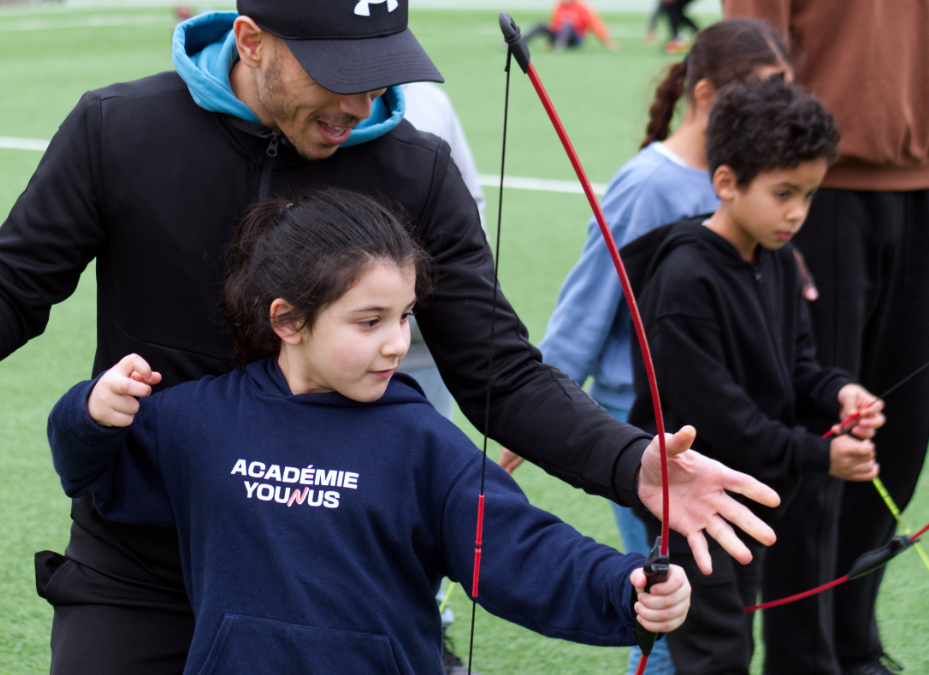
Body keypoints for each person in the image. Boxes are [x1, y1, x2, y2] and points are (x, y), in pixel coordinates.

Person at [0, 1, 782, 671]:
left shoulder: (415, 168)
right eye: (336, 71)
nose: (361, 100)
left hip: (327, 557)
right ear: (251, 42)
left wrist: (632, 462)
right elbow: (14, 282)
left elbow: (497, 369)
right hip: (144, 548)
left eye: (380, 66)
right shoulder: (119, 128)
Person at [47, 188, 693, 673]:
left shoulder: (423, 444)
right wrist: (90, 412)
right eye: (369, 321)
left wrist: (625, 589)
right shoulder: (199, 418)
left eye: (405, 315)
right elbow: (93, 473)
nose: (396, 343)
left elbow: (521, 551)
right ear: (289, 320)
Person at [501, 18, 792, 674]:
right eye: (766, 97)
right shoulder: (649, 184)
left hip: (718, 428)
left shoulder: (740, 181)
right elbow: (590, 296)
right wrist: (541, 401)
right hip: (649, 432)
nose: (780, 115)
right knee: (668, 614)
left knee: (706, 608)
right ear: (712, 97)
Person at [621, 78, 885, 675]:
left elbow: (797, 367)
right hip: (691, 505)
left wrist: (839, 390)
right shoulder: (686, 281)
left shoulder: (774, 257)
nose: (797, 212)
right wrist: (821, 458)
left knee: (734, 645)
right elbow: (726, 421)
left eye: (811, 195)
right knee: (717, 656)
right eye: (784, 192)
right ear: (727, 183)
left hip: (745, 499)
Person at [720, 4, 929, 674]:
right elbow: (749, 47)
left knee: (896, 437)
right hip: (815, 188)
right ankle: (803, 660)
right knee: (817, 443)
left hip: (921, 187)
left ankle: (852, 643)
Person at [400, 79, 487, 675]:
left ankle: (429, 634)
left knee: (417, 498)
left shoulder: (427, 102)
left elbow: (468, 213)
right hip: (296, 360)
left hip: (423, 359)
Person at [523, 0, 618, 53]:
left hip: (575, 39)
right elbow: (555, 25)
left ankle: (559, 46)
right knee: (540, 24)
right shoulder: (559, 6)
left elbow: (595, 24)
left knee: (568, 23)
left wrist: (607, 41)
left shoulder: (581, 7)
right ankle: (520, 43)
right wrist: (550, 40)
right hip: (560, 34)